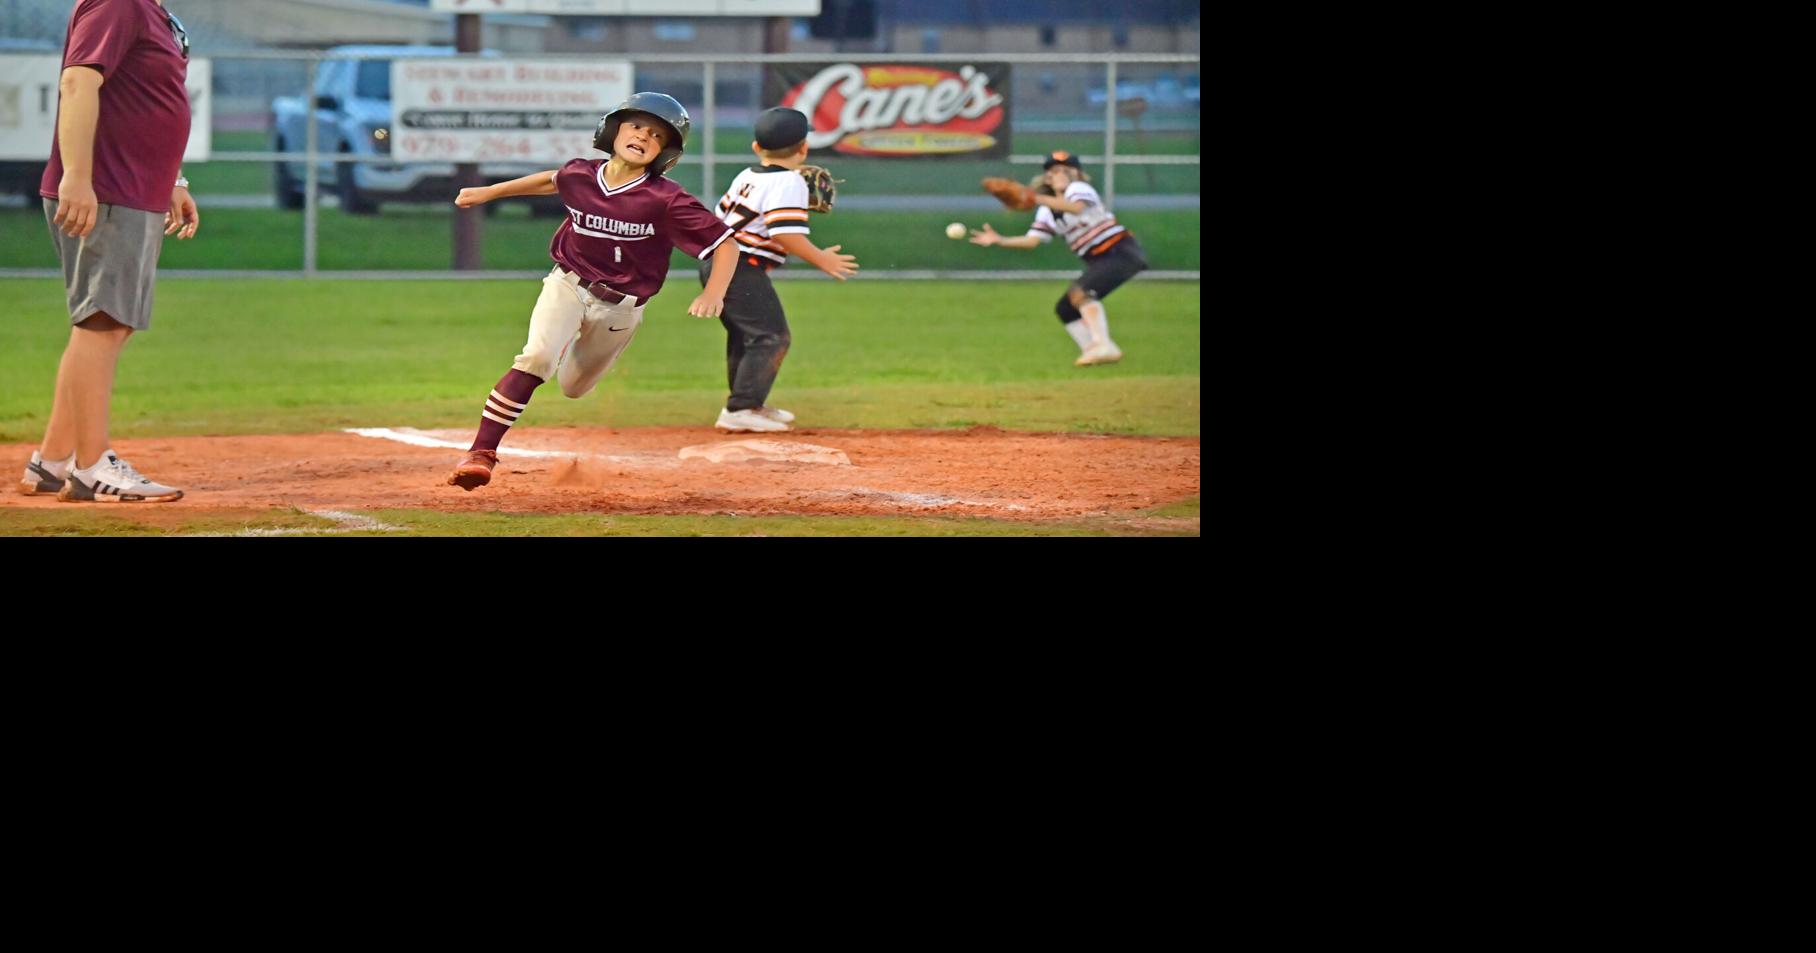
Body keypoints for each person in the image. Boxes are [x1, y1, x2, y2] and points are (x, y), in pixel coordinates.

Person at [444, 92, 739, 491]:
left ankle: (570, 354)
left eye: (655, 135)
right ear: (613, 129)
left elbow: (725, 243)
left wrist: (714, 293)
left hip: (621, 309)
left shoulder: (666, 199)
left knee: (573, 387)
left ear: (664, 152)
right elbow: (552, 180)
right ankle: (481, 454)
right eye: (636, 126)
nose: (642, 136)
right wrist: (489, 192)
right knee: (536, 358)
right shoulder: (581, 173)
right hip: (569, 282)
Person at [20, 0, 200, 503]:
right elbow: (78, 82)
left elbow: (145, 97)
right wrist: (78, 176)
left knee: (105, 324)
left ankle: (53, 460)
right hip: (108, 190)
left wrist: (173, 179)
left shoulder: (150, 8)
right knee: (102, 322)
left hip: (133, 188)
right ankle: (93, 466)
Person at [702, 106, 858, 433]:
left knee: (747, 337)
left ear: (757, 148)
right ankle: (741, 407)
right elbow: (783, 232)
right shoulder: (790, 182)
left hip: (719, 263)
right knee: (773, 337)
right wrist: (822, 259)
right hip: (740, 267)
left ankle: (747, 403)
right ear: (804, 147)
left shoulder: (747, 175)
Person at [967, 151, 1145, 367]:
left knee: (1081, 294)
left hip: (1119, 251)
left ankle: (1103, 344)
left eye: (1066, 169)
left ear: (1077, 174)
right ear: (1047, 178)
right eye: (1054, 171)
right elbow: (1032, 241)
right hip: (1101, 259)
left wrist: (1034, 197)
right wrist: (999, 240)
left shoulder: (1079, 189)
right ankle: (1095, 350)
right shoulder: (1046, 211)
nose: (1060, 174)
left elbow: (1076, 208)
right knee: (1065, 309)